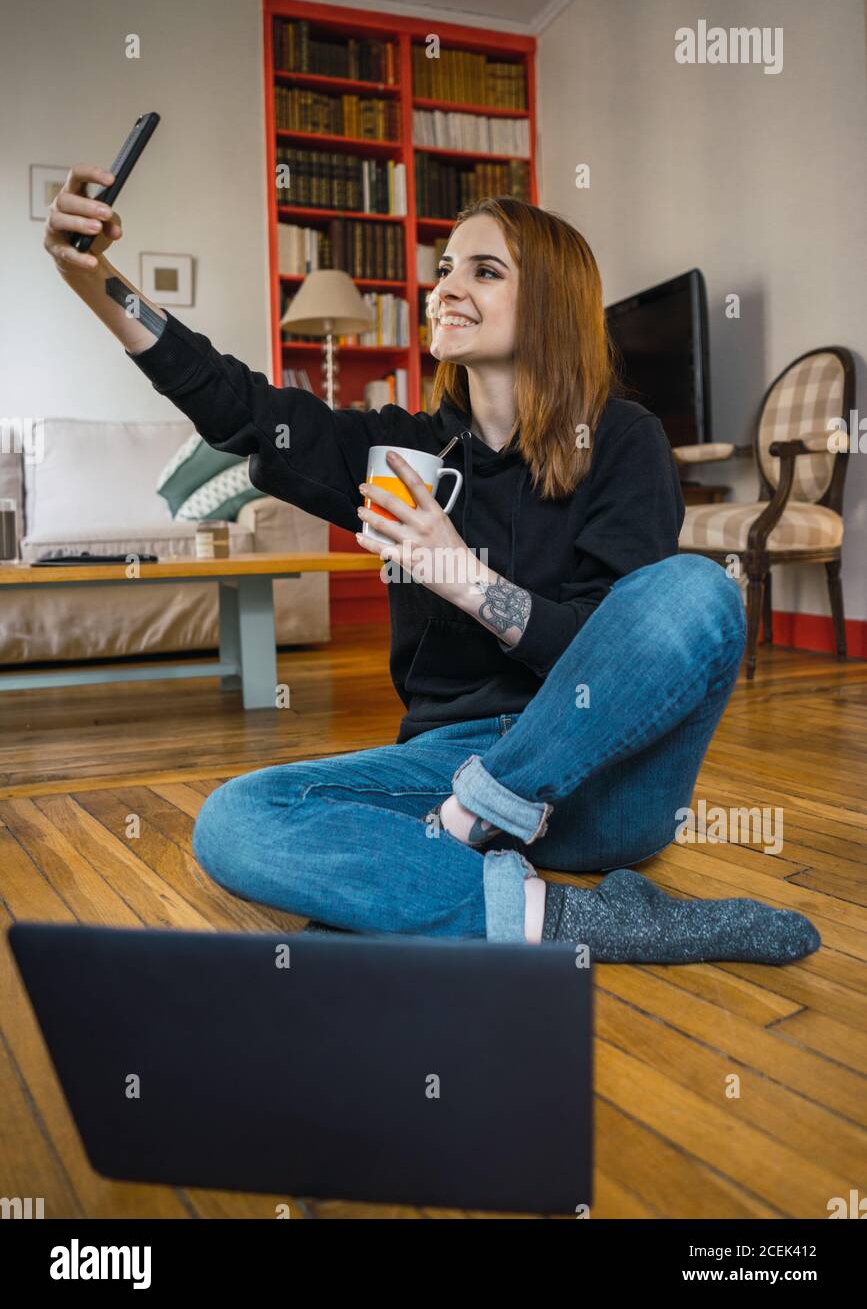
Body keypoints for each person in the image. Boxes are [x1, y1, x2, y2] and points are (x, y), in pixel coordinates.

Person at [44, 168, 819, 963]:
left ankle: (462, 840)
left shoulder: (622, 439)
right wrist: (97, 281)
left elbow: (619, 651)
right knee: (236, 821)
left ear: (552, 306)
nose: (446, 286)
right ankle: (572, 920)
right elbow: (239, 408)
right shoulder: (401, 454)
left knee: (696, 589)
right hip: (449, 766)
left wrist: (465, 579)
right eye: (444, 267)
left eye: (483, 270)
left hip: (601, 783)